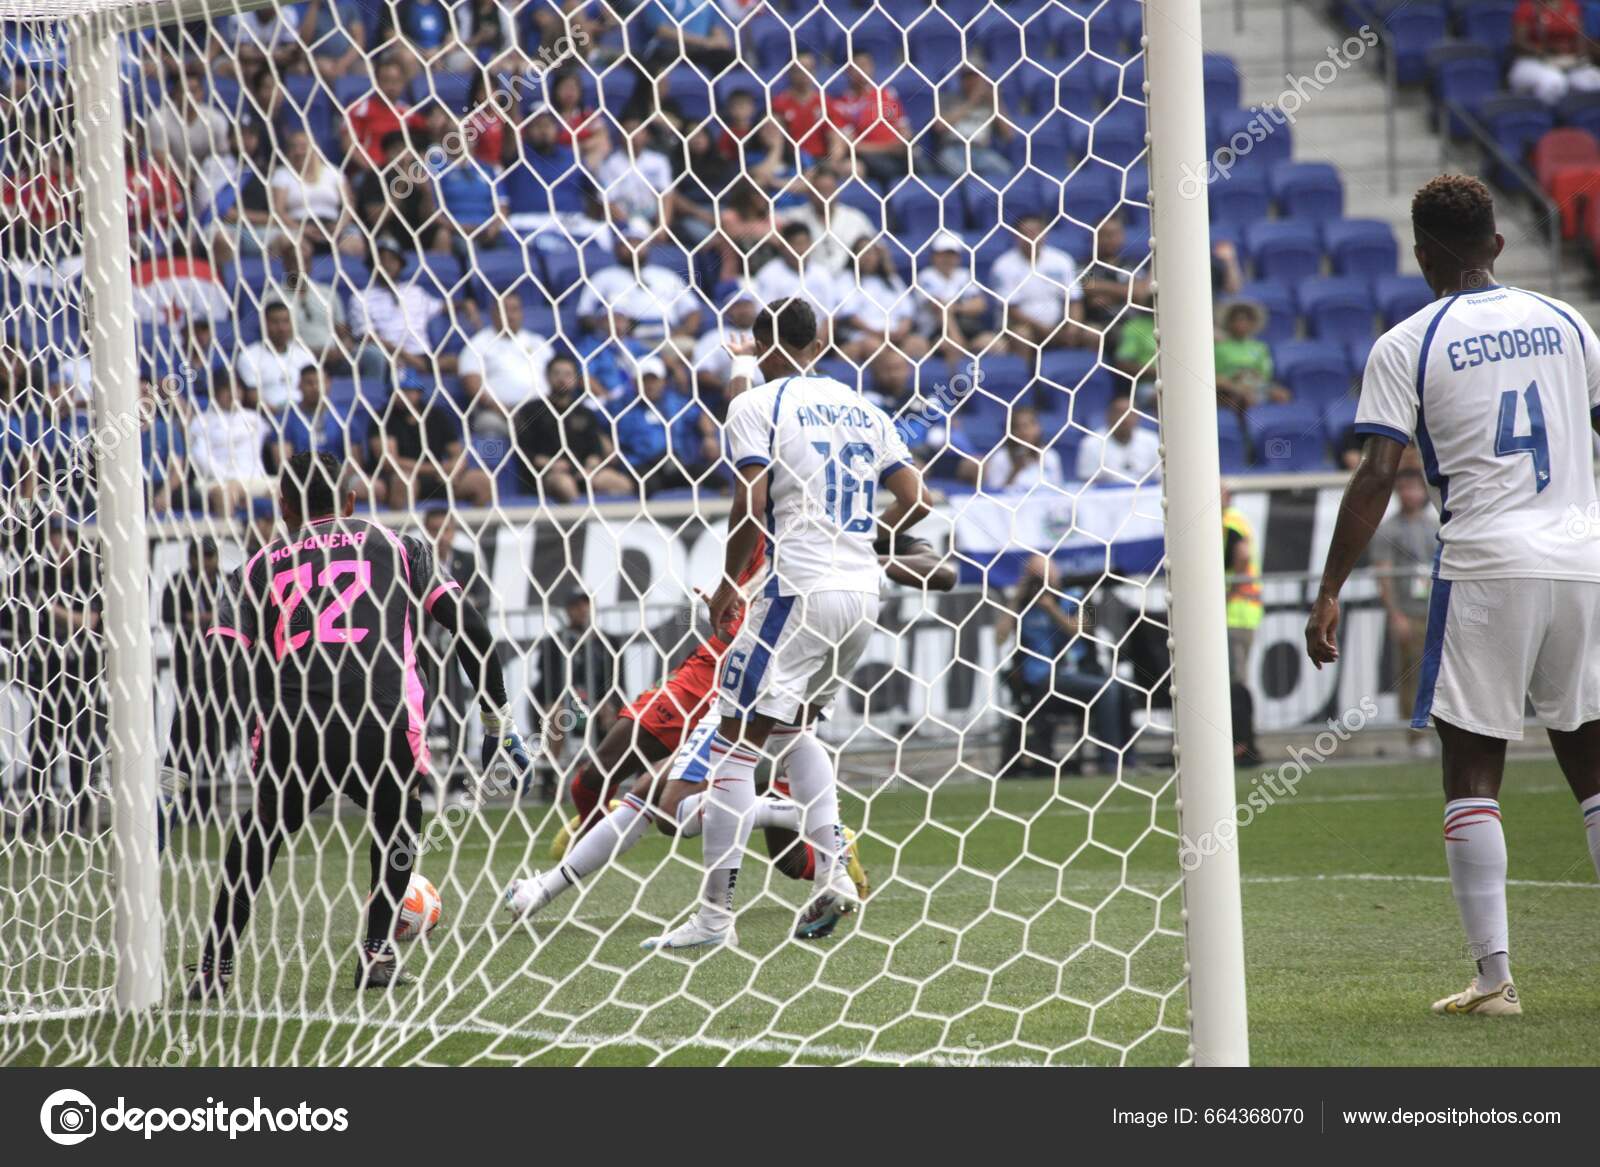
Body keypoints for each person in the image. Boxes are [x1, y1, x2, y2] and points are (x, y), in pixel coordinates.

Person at [1305, 173, 1600, 1017]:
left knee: (1473, 767)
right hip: (1584, 562)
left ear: (1420, 251)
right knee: (1591, 762)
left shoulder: (1409, 342)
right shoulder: (1568, 321)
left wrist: (1328, 589)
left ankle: (1495, 979)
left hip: (1486, 565)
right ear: (1498, 244)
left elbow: (1377, 475)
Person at [187, 452, 533, 998]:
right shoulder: (398, 546)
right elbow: (469, 628)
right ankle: (376, 952)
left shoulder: (255, 567)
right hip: (381, 714)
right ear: (350, 499)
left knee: (260, 834)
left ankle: (214, 966)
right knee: (398, 820)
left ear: (284, 507)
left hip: (295, 723)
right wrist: (496, 720)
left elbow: (216, 666)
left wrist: (189, 759)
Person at [995, 556, 1133, 778]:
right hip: (1042, 681)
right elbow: (999, 638)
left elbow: (1083, 630)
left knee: (1121, 690)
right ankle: (1110, 763)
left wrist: (1052, 609)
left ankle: (1127, 759)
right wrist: (1017, 597)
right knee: (1108, 689)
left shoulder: (1076, 597)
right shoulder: (1022, 606)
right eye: (1038, 578)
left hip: (1077, 674)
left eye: (1048, 576)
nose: (1045, 583)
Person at [1371, 465, 1441, 758]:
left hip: (1434, 611)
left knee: (1441, 675)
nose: (1410, 494)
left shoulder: (1434, 526)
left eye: (1415, 487)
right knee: (1412, 674)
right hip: (1408, 612)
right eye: (1405, 488)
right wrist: (1395, 614)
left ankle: (1444, 732)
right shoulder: (1389, 529)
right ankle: (1416, 736)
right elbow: (1383, 575)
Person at [512, 352, 634, 501]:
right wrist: (550, 464)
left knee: (622, 483)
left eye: (568, 374)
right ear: (547, 377)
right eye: (556, 374)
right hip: (547, 475)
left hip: (582, 473)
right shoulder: (532, 411)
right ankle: (580, 523)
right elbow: (522, 450)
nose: (562, 379)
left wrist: (591, 465)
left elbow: (595, 448)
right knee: (565, 484)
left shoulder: (585, 413)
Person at [458, 291, 552, 436]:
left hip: (541, 410)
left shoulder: (538, 341)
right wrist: (506, 411)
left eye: (514, 309)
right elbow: (472, 385)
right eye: (504, 310)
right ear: (493, 313)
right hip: (499, 413)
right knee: (489, 425)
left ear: (521, 312)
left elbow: (555, 373)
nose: (510, 315)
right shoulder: (477, 344)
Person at [990, 213, 1089, 352]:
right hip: (1022, 327)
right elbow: (1011, 310)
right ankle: (1025, 373)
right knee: (1021, 335)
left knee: (1093, 334)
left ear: (1045, 234)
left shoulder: (1061, 260)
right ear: (1016, 236)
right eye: (1026, 233)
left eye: (1036, 232)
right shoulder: (1003, 265)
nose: (1032, 237)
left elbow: (1074, 300)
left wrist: (1073, 328)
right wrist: (1047, 331)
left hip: (1060, 326)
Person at [1223, 484, 1261, 767]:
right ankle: (1242, 743)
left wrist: (1226, 596)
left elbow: (1243, 555)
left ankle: (1244, 746)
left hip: (1235, 614)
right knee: (1235, 682)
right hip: (1241, 614)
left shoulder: (1229, 520)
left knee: (1234, 683)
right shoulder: (1235, 519)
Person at [1507, 0, 1600, 105]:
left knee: (1595, 81)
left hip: (1568, 61)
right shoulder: (1528, 6)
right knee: (1553, 82)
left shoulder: (1571, 5)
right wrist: (1545, 52)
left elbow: (1581, 39)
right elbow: (1518, 43)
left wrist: (1578, 57)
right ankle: (1547, 119)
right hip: (1532, 61)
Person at [238, 300, 317, 414]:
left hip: (306, 414)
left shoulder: (304, 354)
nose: (281, 328)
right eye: (275, 322)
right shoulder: (248, 356)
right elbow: (254, 398)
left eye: (286, 322)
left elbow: (317, 387)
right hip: (272, 417)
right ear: (264, 324)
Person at [1075, 393, 1160, 485]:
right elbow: (1088, 484)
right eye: (1119, 412)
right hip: (1106, 497)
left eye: (1130, 413)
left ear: (1138, 416)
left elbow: (1159, 478)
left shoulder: (1151, 440)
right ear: (1108, 415)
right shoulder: (1091, 443)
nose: (1125, 418)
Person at [1214, 300, 1284, 412]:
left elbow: (1265, 375)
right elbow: (1216, 378)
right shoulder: (1219, 348)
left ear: (1252, 323)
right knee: (1244, 398)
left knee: (1281, 396)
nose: (1241, 323)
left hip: (1256, 386)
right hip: (1230, 390)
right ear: (1229, 322)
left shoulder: (1260, 348)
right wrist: (1235, 384)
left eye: (1246, 319)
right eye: (1237, 319)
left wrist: (1254, 381)